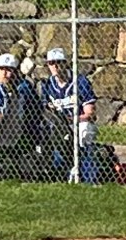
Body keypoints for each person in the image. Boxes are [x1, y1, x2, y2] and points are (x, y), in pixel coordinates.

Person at [0, 52, 51, 181]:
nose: (5, 74)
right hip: (4, 128)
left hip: (25, 132)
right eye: (2, 69)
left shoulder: (24, 89)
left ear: (16, 72)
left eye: (9, 70)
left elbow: (17, 119)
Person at [40, 47, 99, 184]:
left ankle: (88, 176)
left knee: (84, 131)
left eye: (59, 62)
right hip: (58, 127)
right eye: (51, 63)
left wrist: (70, 120)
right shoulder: (47, 85)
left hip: (78, 123)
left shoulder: (80, 81)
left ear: (65, 63)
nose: (55, 66)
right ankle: (58, 173)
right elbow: (46, 112)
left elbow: (90, 114)